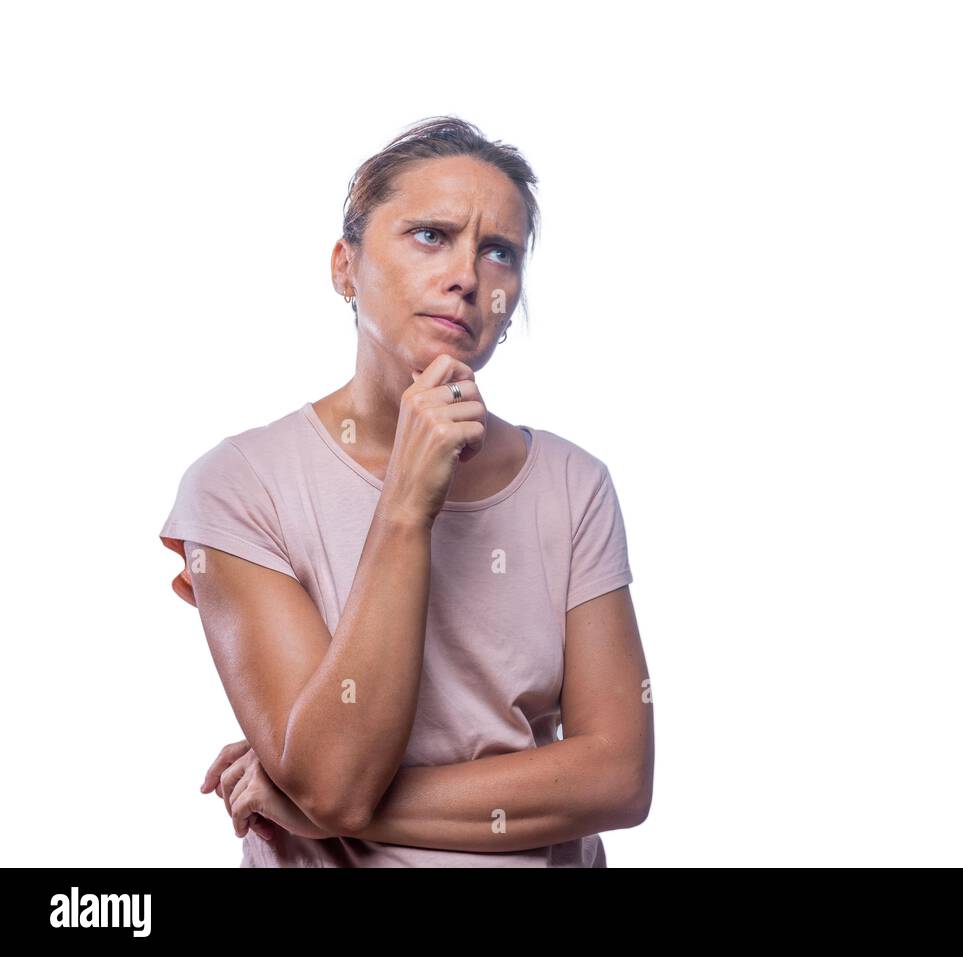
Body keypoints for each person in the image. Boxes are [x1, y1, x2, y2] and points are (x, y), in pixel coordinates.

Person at [158, 116, 652, 867]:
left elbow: (619, 778)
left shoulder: (573, 484)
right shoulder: (237, 487)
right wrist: (406, 504)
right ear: (344, 266)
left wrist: (320, 811)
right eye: (431, 235)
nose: (467, 276)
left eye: (499, 252)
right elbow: (336, 779)